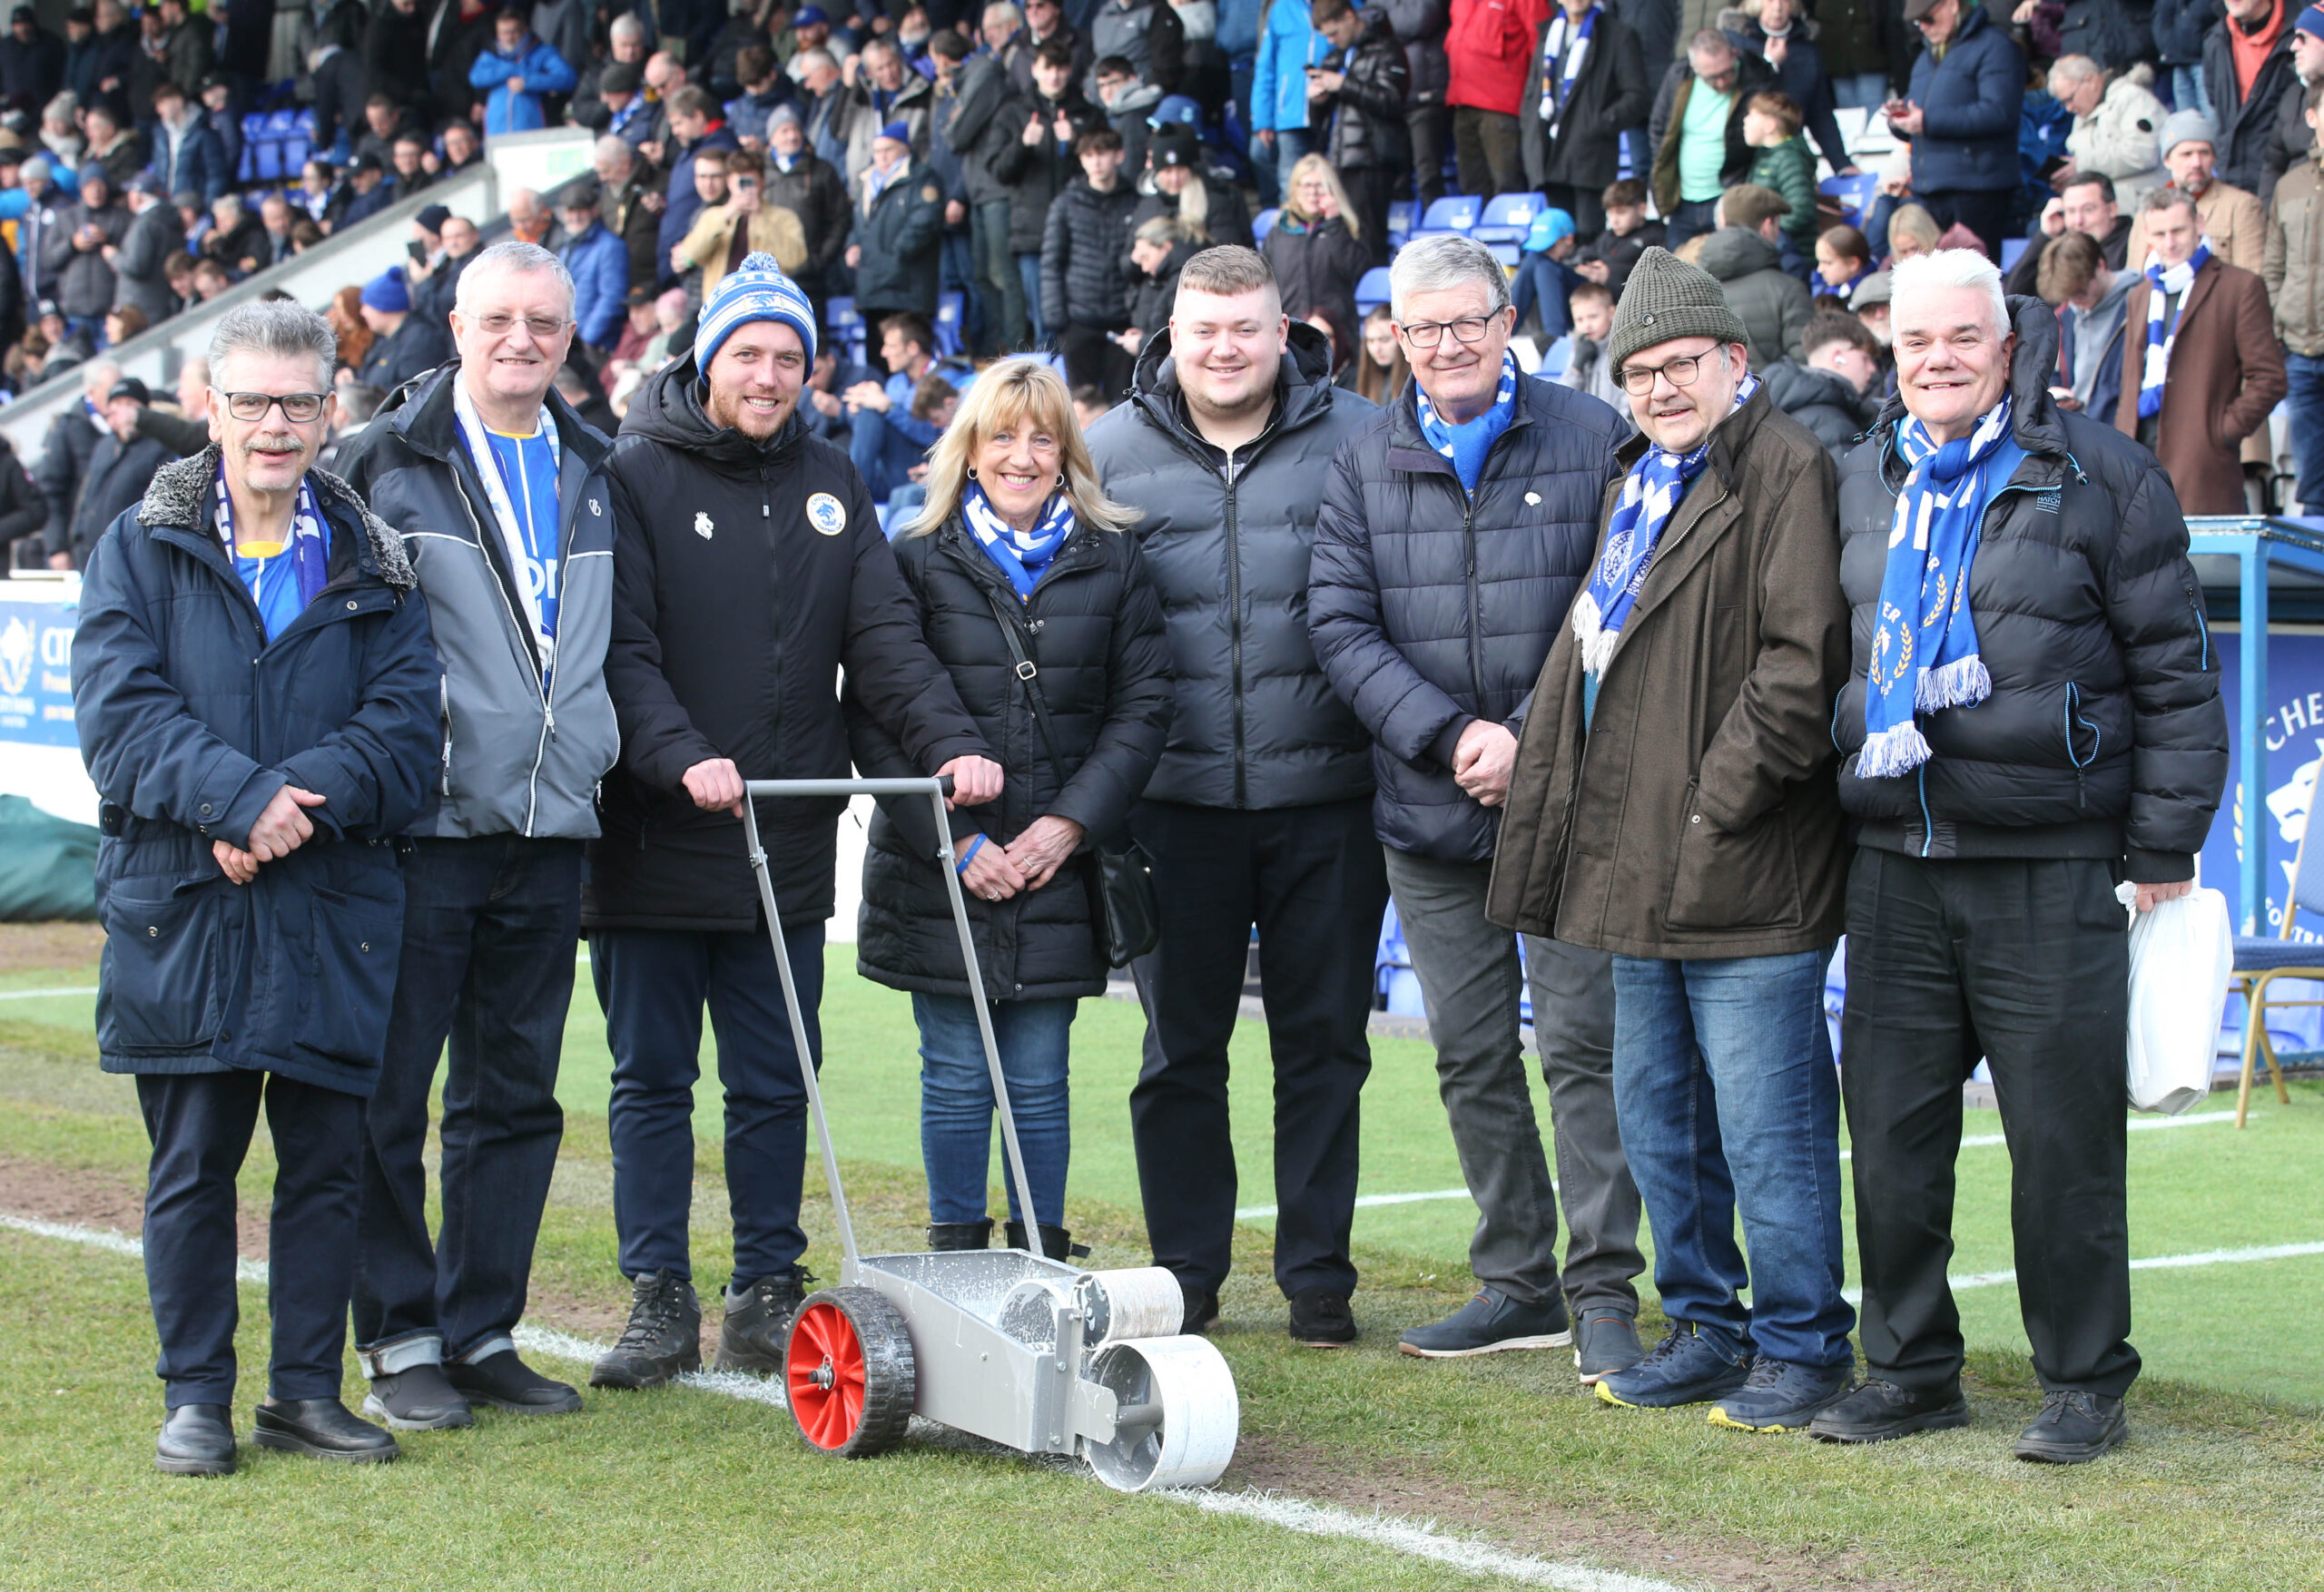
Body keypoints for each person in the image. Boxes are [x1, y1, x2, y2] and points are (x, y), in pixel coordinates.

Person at [1812, 249, 2227, 1464]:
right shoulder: (1858, 477)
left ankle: (2085, 1378)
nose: (1935, 359)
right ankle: (1909, 1368)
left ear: (2007, 345)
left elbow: (2177, 671)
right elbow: (1820, 654)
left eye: (1960, 339)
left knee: (2063, 1145)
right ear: (1893, 355)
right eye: (1915, 342)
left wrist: (2162, 842)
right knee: (1888, 1136)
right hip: (1893, 857)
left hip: (2050, 863)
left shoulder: (2103, 473)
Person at [584, 255, 1002, 1389]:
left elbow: (883, 642)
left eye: (788, 357)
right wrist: (680, 759)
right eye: (748, 353)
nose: (768, 375)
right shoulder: (633, 471)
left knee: (778, 1077)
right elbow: (618, 653)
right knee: (652, 1076)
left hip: (783, 839)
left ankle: (765, 1286)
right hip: (656, 834)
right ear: (707, 357)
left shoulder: (829, 478)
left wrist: (949, 742)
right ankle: (656, 1292)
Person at [1486, 245, 1856, 1431]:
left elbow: (1802, 668)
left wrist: (1709, 803)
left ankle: (1801, 1345)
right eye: (1636, 371)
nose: (1657, 388)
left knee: (1767, 1126)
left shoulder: (1785, 466)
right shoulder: (1636, 479)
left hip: (1742, 861)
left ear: (1734, 361)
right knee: (1658, 1114)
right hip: (1633, 866)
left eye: (1679, 364)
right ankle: (1705, 1325)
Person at [71, 299, 438, 1477]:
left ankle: (302, 1394)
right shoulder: (137, 541)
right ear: (209, 405)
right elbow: (119, 722)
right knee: (193, 1168)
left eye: (297, 401)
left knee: (330, 1169)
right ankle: (196, 1398)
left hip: (333, 913)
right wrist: (234, 802)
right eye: (252, 401)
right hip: (186, 909)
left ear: (332, 410)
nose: (275, 424)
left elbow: (405, 738)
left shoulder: (379, 560)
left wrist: (280, 807)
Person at [1306, 232, 1648, 1377]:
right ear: (1392, 337)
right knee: (1467, 1053)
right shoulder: (1363, 455)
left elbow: (1621, 603)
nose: (1446, 344)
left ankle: (1604, 1289)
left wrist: (1529, 740)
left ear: (1507, 322)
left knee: (1585, 1049)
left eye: (1468, 321)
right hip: (1429, 806)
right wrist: (1452, 736)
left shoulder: (1593, 434)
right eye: (1422, 326)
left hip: (1566, 804)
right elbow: (1339, 627)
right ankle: (1517, 1280)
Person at [328, 241, 616, 1433]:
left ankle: (484, 1326)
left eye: (544, 322)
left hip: (552, 826)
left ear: (566, 333)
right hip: (424, 830)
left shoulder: (601, 466)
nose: (522, 341)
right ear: (456, 325)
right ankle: (399, 1337)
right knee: (391, 1095)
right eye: (499, 319)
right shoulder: (381, 464)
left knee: (516, 1098)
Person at [1085, 245, 1384, 1343]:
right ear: (1170, 334)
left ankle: (1317, 1276)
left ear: (1281, 330)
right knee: (1178, 1052)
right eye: (1202, 330)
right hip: (1172, 803)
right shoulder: (1105, 453)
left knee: (1325, 1045)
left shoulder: (1361, 436)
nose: (1224, 349)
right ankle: (1186, 1273)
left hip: (1330, 798)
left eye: (1244, 329)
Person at [853, 359, 1171, 1255]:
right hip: (940, 870)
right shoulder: (912, 556)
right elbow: (873, 718)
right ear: (969, 446)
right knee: (954, 1072)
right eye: (1003, 434)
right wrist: (952, 841)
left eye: (1043, 436)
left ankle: (1040, 1260)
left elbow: (1142, 709)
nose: (1022, 455)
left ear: (1068, 450)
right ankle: (955, 1258)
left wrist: (1068, 824)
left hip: (1058, 867)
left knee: (1039, 1076)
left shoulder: (1114, 559)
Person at [2115, 183, 2286, 514]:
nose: (2170, 242)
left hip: (2203, 462)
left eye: (2178, 230)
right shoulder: (2141, 294)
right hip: (2137, 458)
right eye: (2160, 233)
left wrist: (2221, 432)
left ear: (2199, 224)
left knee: (2204, 564)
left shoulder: (2240, 286)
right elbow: (2130, 379)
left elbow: (2269, 378)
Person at [1887, 0, 2023, 260]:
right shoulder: (1927, 57)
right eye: (1918, 22)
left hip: (1978, 190)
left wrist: (1926, 122)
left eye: (1928, 19)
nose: (1923, 28)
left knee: (1974, 282)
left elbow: (2000, 112)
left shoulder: (1995, 46)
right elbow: (1918, 113)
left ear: (1951, 5)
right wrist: (1899, 120)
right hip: (1930, 190)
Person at [994, 39, 1104, 346]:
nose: (1054, 75)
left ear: (1069, 70)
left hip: (1081, 231)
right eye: (1047, 68)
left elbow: (1105, 165)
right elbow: (1000, 172)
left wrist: (1079, 141)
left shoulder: (1088, 113)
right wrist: (1023, 146)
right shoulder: (1014, 112)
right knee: (1044, 318)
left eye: (1060, 68)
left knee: (1081, 315)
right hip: (1033, 232)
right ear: (1034, 71)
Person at [1519, 0, 1649, 244]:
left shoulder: (1619, 35)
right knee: (1557, 245)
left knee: (1589, 241)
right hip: (1548, 158)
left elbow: (1637, 97)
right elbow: (1532, 92)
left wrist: (1596, 126)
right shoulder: (1547, 33)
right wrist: (1530, 132)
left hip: (1590, 160)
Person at [1648, 30, 1774, 251]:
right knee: (1679, 278)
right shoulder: (1678, 76)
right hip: (1683, 203)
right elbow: (1659, 128)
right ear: (1695, 68)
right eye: (1712, 78)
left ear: (1734, 54)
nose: (1722, 81)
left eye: (1727, 72)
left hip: (1729, 198)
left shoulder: (1754, 76)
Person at [1042, 124, 1142, 396]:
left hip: (1122, 322)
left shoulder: (1136, 203)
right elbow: (1052, 261)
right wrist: (1057, 320)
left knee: (1122, 406)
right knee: (1079, 407)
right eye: (1088, 155)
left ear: (1118, 156)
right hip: (1078, 321)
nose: (1096, 161)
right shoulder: (1066, 204)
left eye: (1102, 153)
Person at [847, 310, 970, 500]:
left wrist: (887, 407)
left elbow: (934, 435)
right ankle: (852, 487)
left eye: (890, 346)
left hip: (922, 469)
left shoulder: (947, 378)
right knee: (867, 410)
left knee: (872, 411)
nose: (883, 352)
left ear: (912, 348)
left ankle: (850, 489)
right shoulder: (895, 382)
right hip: (887, 472)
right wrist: (854, 409)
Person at [1261, 152, 1369, 369]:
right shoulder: (1279, 231)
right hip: (1291, 334)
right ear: (1295, 190)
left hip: (1337, 335)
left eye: (1319, 186)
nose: (1313, 193)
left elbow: (1354, 268)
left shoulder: (1343, 227)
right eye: (1306, 186)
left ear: (1331, 189)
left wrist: (1334, 222)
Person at [2270, 83, 2324, 506]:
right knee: (2311, 480)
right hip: (2299, 351)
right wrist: (2278, 326)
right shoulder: (2289, 185)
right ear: (2311, 117)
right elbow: (2274, 266)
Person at [1699, 183, 1811, 370]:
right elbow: (1805, 369)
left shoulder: (1690, 285)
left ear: (1724, 221)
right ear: (1768, 225)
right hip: (1769, 398)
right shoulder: (1789, 289)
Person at [1446, 0, 1551, 201]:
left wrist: (1536, 98)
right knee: (1470, 189)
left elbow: (1541, 46)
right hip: (1461, 103)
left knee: (1507, 187)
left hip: (1502, 106)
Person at [67, 374, 174, 566]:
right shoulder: (104, 446)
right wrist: (78, 536)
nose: (122, 411)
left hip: (132, 557)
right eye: (117, 403)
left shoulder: (160, 447)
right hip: (91, 555)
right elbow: (87, 496)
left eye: (130, 403)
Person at [850, 120, 947, 323]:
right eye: (877, 151)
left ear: (905, 148)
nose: (882, 156)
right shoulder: (867, 181)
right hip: (872, 287)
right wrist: (852, 245)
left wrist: (894, 257)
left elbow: (924, 223)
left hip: (907, 288)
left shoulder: (922, 178)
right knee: (878, 352)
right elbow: (858, 224)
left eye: (888, 149)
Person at [2203, 0, 2297, 201]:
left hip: (2285, 186)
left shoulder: (2301, 35)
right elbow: (2217, 104)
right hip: (2231, 184)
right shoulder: (2215, 40)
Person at [2039, 225, 2132, 426]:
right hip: (2078, 428)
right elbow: (2054, 372)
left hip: (2119, 430)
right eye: (2069, 297)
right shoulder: (2065, 315)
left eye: (2080, 293)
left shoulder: (2137, 304)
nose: (2075, 302)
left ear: (2100, 265)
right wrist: (2055, 395)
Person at [2048, 54, 2166, 211]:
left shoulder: (2132, 97)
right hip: (2101, 212)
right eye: (2064, 103)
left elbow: (2143, 153)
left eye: (2070, 98)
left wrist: (2082, 166)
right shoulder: (2081, 117)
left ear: (2089, 80)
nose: (2068, 108)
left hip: (2144, 207)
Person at [763, 106, 852, 315]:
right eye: (784, 131)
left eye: (796, 130)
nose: (793, 136)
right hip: (765, 277)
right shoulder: (758, 170)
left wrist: (820, 259)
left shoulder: (822, 171)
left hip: (809, 277)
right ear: (772, 137)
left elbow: (840, 218)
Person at [1760, 309, 1882, 457]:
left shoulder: (1774, 404)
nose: (1872, 368)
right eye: (1865, 358)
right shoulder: (1834, 423)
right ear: (1838, 357)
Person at [2007, 171, 2133, 294]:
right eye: (2071, 211)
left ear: (2112, 209)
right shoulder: (2062, 243)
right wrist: (2045, 236)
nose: (2078, 221)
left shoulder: (2133, 242)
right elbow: (2011, 294)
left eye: (2088, 209)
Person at [45, 163, 126, 347]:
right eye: (90, 185)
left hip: (110, 309)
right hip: (75, 310)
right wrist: (72, 245)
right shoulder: (65, 218)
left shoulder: (121, 218)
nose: (96, 191)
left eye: (100, 185)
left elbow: (129, 257)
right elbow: (49, 260)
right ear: (81, 189)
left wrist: (108, 240)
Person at [468, 7, 575, 135]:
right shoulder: (491, 54)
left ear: (524, 29)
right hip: (496, 133)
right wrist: (511, 69)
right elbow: (475, 77)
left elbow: (567, 78)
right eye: (503, 33)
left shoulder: (542, 52)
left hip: (534, 131)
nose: (508, 38)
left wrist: (528, 83)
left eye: (513, 32)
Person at [1741, 91, 1817, 270]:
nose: (1745, 120)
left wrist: (1764, 234)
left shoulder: (1789, 159)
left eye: (1751, 115)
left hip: (1791, 256)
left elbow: (1800, 211)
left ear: (1770, 125)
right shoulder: (1766, 156)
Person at [356, 264, 455, 394]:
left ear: (385, 307)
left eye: (367, 305)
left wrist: (367, 396)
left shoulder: (419, 338)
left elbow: (415, 390)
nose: (362, 312)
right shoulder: (384, 341)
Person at [1571, 177, 1663, 294]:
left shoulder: (1656, 235)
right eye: (1610, 213)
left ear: (1642, 209)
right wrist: (1583, 263)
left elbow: (1656, 277)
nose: (1614, 220)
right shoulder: (1608, 236)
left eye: (1621, 212)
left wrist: (1610, 275)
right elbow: (1589, 250)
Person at [109, 172, 177, 327]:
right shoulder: (168, 216)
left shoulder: (144, 224)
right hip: (161, 301)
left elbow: (136, 267)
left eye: (130, 192)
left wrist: (113, 257)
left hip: (142, 308)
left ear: (139, 196)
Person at [1125, 213, 1199, 353]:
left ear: (1165, 247)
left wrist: (1142, 344)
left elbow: (1183, 336)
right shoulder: (1169, 277)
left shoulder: (1183, 281)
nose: (1144, 268)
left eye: (1146, 257)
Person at [1559, 277, 1623, 410]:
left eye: (1593, 317)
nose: (1586, 325)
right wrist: (1577, 367)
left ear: (1612, 313)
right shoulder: (1578, 349)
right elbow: (1563, 400)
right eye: (1579, 320)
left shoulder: (1621, 348)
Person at [1350, 299, 1407, 401]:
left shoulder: (1414, 382)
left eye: (1384, 340)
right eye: (1371, 341)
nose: (1376, 349)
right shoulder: (1363, 379)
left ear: (1400, 337)